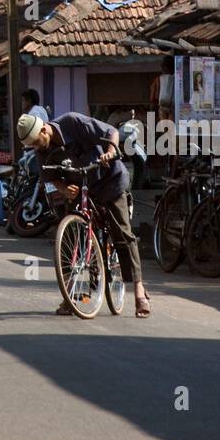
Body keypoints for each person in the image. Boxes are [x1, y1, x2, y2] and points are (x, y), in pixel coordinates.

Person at [17, 110, 150, 318]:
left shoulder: (72, 122)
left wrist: (110, 150)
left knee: (122, 233)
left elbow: (111, 131)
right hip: (80, 187)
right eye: (32, 145)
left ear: (44, 129)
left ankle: (140, 292)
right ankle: (70, 296)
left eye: (36, 142)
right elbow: (49, 177)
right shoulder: (42, 148)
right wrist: (63, 189)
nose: (36, 147)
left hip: (109, 180)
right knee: (68, 235)